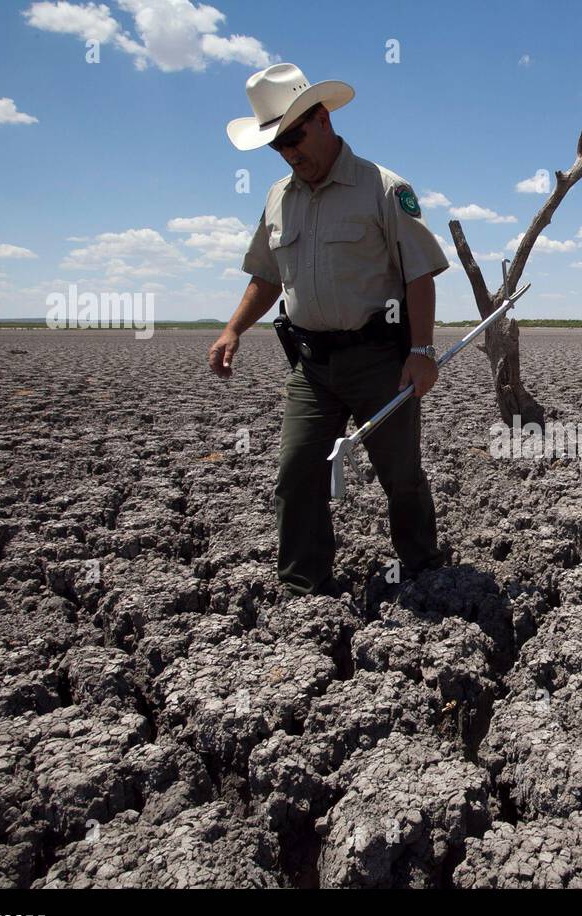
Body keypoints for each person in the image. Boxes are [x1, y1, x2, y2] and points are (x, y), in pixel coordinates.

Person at [208, 63, 449, 595]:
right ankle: (303, 588)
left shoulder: (383, 188)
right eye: (278, 145)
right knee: (297, 473)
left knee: (400, 474)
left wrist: (423, 350)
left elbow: (420, 272)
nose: (290, 153)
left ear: (322, 120)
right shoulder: (278, 197)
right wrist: (233, 330)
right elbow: (266, 275)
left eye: (294, 137)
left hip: (379, 360)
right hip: (311, 365)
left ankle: (425, 570)